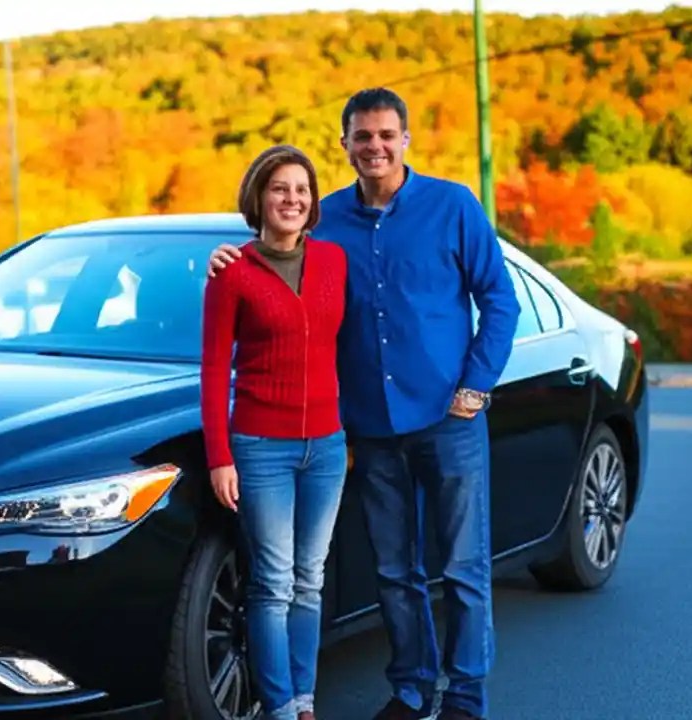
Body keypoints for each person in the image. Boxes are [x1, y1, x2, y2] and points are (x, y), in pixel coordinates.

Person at [207, 88, 519, 720]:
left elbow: (500, 300)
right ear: (344, 143)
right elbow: (274, 259)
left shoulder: (452, 206)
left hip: (448, 419)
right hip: (370, 429)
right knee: (395, 571)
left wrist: (477, 382)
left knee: (461, 567)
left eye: (386, 135)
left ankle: (463, 697)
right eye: (362, 136)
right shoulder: (329, 223)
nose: (375, 146)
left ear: (405, 139)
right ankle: (410, 690)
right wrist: (222, 257)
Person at [200, 144, 349, 720]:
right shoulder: (231, 272)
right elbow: (215, 370)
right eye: (280, 188)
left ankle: (304, 697)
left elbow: (353, 345)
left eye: (301, 190)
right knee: (272, 584)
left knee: (309, 579)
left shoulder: (334, 261)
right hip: (261, 449)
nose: (292, 199)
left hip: (328, 448)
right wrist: (220, 456)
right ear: (258, 197)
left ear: (313, 202)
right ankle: (279, 705)